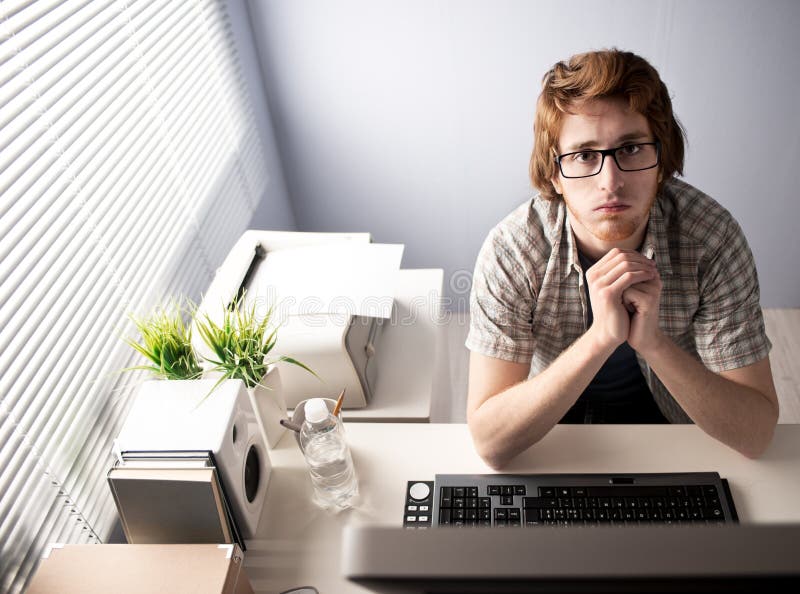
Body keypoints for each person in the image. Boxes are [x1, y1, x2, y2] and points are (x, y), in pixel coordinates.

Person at [465, 49, 779, 469]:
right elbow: (489, 442)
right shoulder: (514, 250)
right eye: (584, 155)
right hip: (551, 428)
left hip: (677, 426)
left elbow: (756, 434)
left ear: (662, 160)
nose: (609, 182)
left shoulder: (711, 238)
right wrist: (600, 339)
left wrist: (653, 343)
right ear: (555, 173)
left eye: (630, 148)